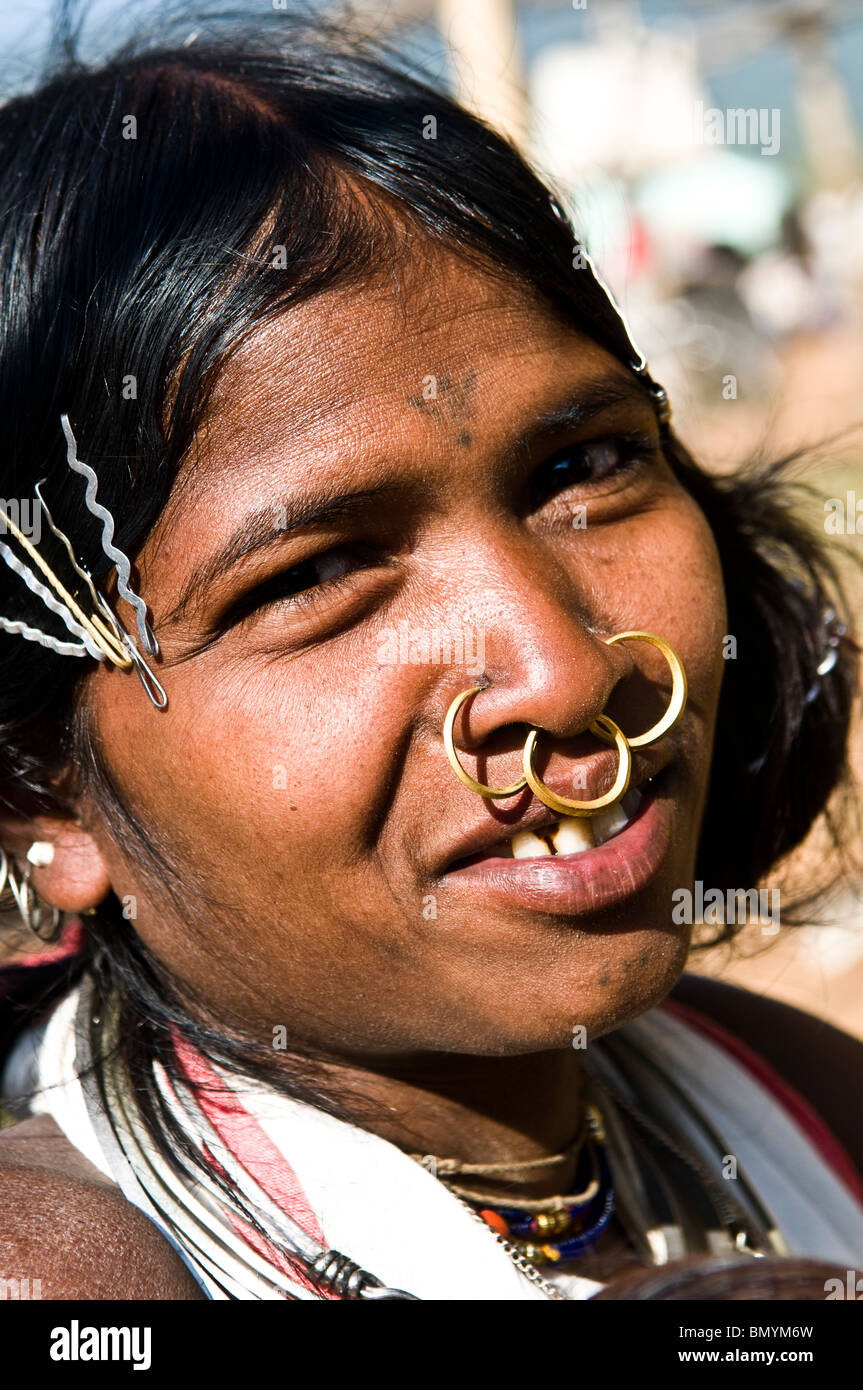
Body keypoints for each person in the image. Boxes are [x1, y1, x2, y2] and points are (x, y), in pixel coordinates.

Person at [0, 14, 861, 1301]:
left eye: (581, 467)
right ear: (39, 791)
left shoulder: (804, 1100)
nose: (563, 672)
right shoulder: (69, 1281)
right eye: (315, 575)